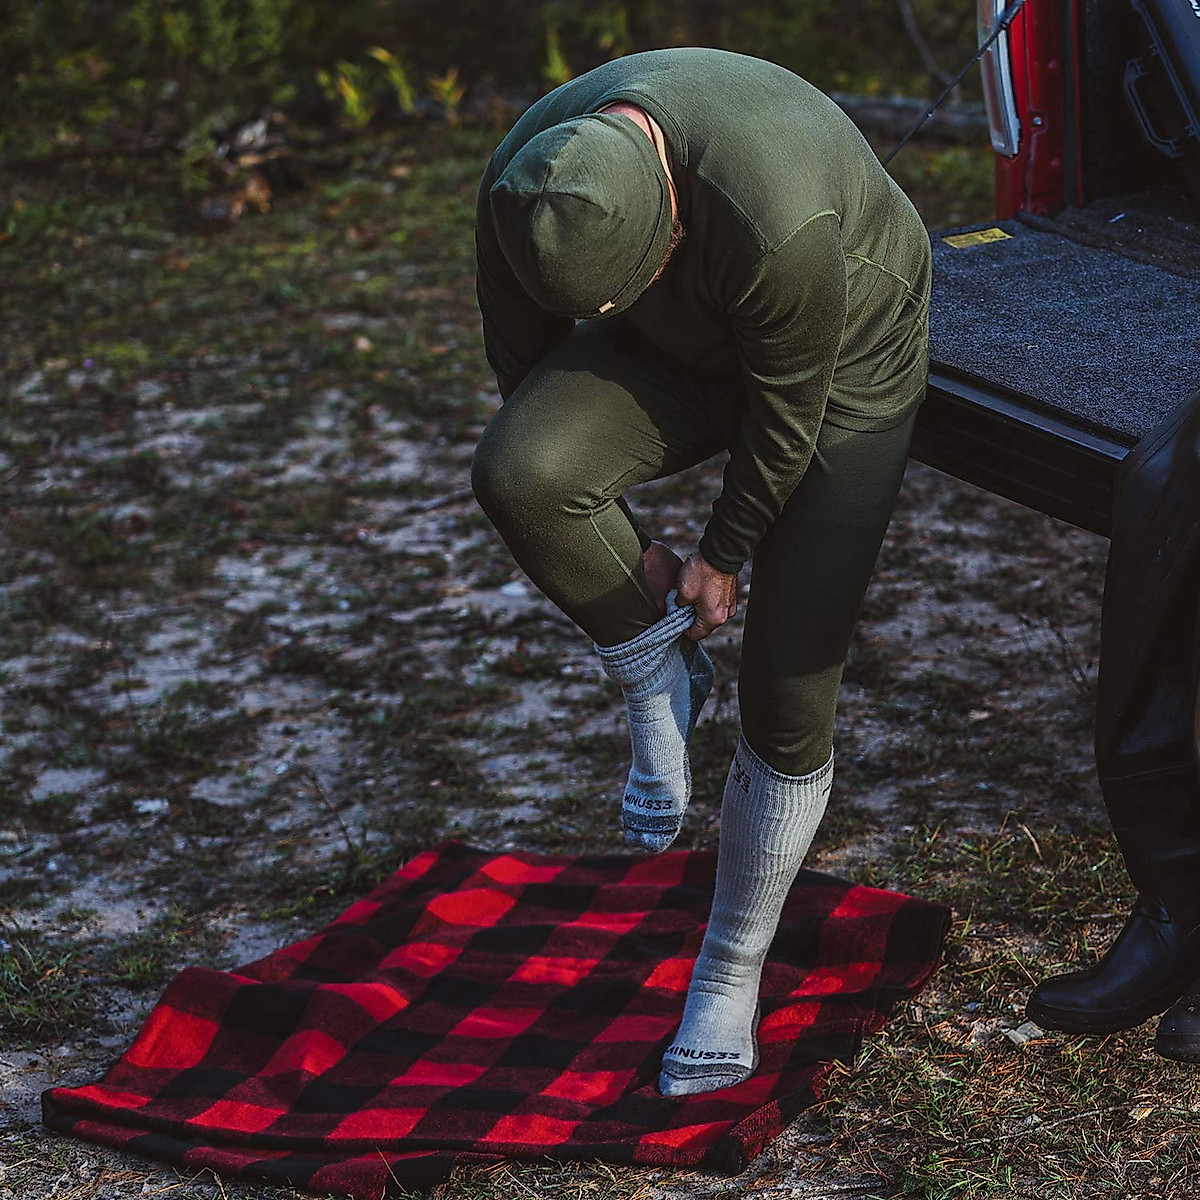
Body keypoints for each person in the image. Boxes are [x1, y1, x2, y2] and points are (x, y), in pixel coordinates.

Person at [470, 47, 930, 1096]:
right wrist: (630, 548)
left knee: (787, 679)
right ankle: (656, 677)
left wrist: (722, 556)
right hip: (676, 337)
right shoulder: (525, 188)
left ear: (670, 216)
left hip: (841, 355)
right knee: (523, 472)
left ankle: (729, 968)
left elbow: (787, 412)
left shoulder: (778, 217)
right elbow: (523, 376)